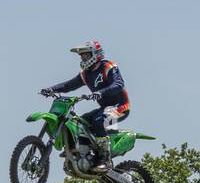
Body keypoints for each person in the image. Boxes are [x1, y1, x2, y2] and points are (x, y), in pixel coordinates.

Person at [40, 39, 131, 172]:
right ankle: (80, 152)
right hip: (104, 109)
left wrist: (100, 92)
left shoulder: (108, 66)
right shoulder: (85, 74)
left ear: (96, 53)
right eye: (82, 56)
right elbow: (69, 85)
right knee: (79, 122)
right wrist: (51, 89)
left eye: (86, 55)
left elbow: (119, 84)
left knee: (99, 121)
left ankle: (104, 159)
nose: (83, 58)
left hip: (121, 106)